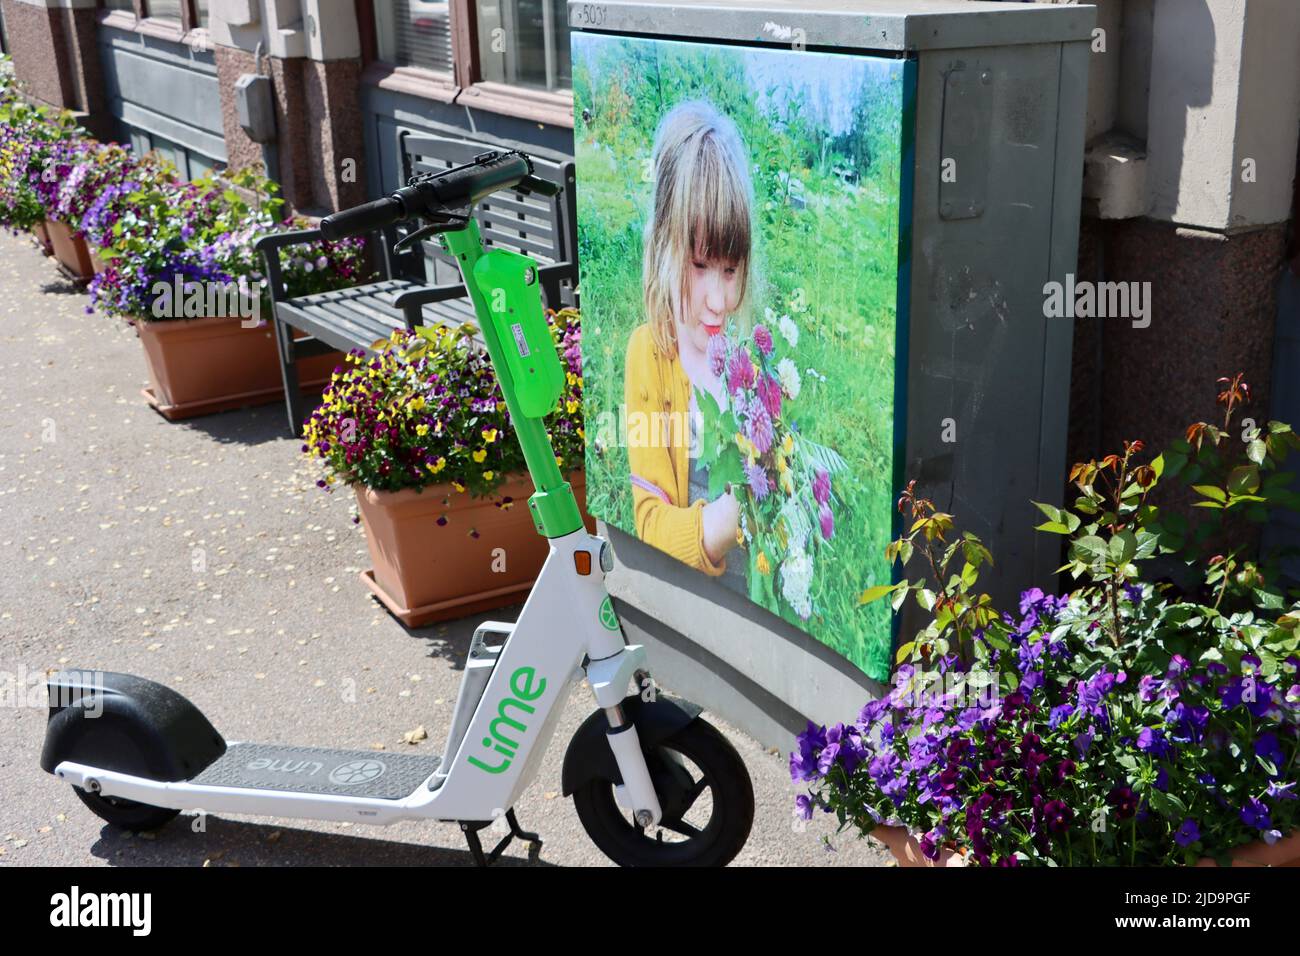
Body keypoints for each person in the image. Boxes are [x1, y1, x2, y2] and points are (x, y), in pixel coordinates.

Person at [623, 100, 753, 582]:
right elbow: (647, 522)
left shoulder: (748, 364)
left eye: (730, 270)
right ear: (662, 247)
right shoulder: (649, 356)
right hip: (696, 600)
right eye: (699, 266)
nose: (718, 301)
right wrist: (723, 523)